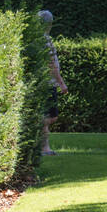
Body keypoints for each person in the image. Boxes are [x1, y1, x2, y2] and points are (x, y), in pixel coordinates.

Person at [37, 10, 68, 156]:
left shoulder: (40, 38)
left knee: (49, 116)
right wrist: (61, 82)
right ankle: (44, 147)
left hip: (46, 82)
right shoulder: (44, 39)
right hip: (49, 82)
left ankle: (43, 146)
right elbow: (51, 63)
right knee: (48, 117)